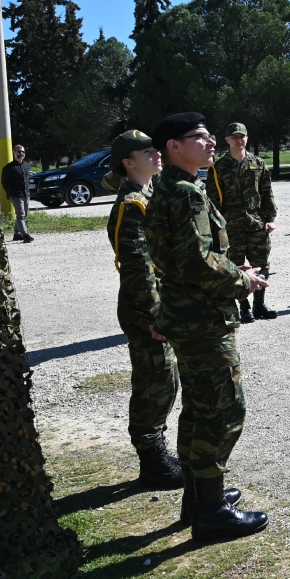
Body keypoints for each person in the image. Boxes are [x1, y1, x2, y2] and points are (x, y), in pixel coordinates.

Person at [144, 112, 268, 542]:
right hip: (202, 319)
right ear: (172, 147)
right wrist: (242, 280)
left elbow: (183, 258)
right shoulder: (184, 194)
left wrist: (232, 267)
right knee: (224, 409)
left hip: (186, 314)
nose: (211, 142)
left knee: (198, 409)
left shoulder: (171, 188)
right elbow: (196, 262)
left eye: (210, 136)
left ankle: (198, 498)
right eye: (199, 137)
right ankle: (211, 512)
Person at [105, 130, 182, 490]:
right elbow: (136, 266)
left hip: (157, 305)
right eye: (147, 151)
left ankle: (157, 450)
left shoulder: (148, 196)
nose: (157, 154)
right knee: (155, 381)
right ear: (128, 162)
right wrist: (155, 315)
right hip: (144, 310)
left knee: (166, 379)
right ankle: (152, 459)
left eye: (156, 148)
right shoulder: (131, 204)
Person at [206, 123, 277, 322]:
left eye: (242, 136)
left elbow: (266, 193)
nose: (239, 140)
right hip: (231, 226)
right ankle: (244, 308)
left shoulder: (258, 163)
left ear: (247, 138)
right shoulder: (218, 167)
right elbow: (212, 200)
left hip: (256, 224)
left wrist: (270, 219)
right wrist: (217, 227)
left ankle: (260, 305)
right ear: (227, 140)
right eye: (234, 137)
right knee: (236, 267)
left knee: (261, 264)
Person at [1, 144, 33, 243]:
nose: (21, 153)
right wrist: (9, 193)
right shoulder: (9, 167)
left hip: (26, 194)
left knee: (24, 215)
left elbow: (27, 180)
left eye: (23, 151)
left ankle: (17, 234)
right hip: (15, 195)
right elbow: (4, 182)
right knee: (20, 215)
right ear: (14, 152)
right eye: (19, 151)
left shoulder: (26, 165)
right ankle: (25, 235)